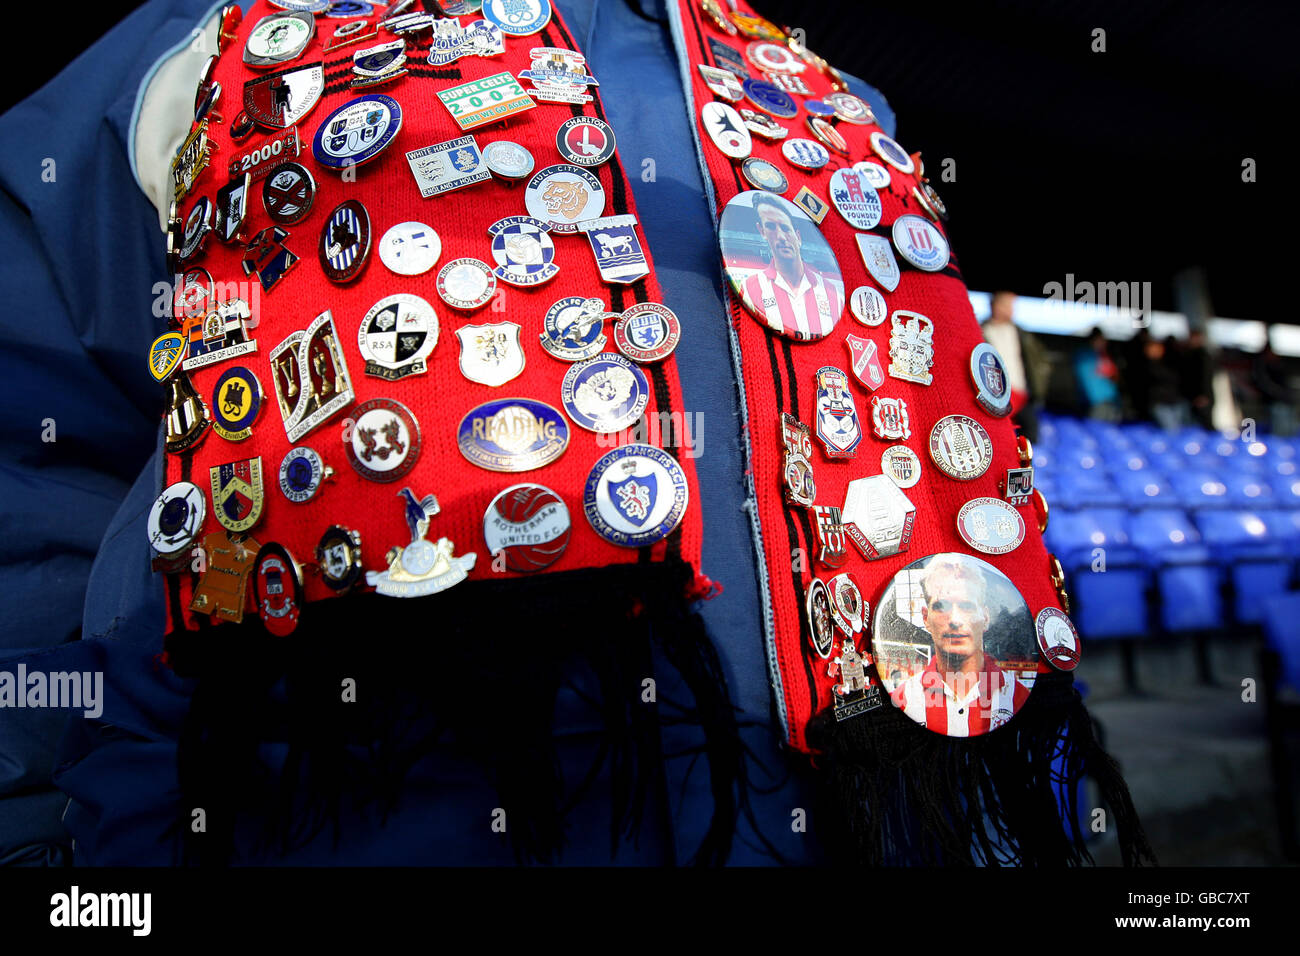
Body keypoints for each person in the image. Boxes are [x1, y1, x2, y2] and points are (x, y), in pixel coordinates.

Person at [891, 559, 1030, 737]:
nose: (955, 620)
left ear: (986, 617)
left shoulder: (1016, 695)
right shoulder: (905, 697)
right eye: (941, 606)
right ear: (926, 618)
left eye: (966, 606)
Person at [739, 193, 843, 340]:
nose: (781, 237)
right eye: (770, 227)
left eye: (785, 228)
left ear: (798, 237)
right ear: (762, 232)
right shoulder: (750, 287)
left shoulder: (831, 293)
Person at [981, 291, 1047, 443]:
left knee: (1030, 441)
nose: (1011, 310)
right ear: (994, 305)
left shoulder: (1022, 333)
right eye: (1006, 305)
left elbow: (1039, 361)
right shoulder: (980, 331)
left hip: (1023, 396)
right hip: (996, 398)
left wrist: (1038, 386)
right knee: (997, 440)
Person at [1073, 327, 1122, 421]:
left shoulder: (1103, 356)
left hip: (1111, 402)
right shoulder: (1085, 356)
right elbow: (1088, 383)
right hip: (1097, 404)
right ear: (1094, 340)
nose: (1104, 342)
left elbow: (1113, 377)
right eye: (1101, 339)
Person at [1179, 328, 1215, 429]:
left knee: (1204, 424)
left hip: (1202, 397)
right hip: (1191, 396)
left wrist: (1203, 395)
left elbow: (1206, 377)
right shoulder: (1188, 354)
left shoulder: (1203, 356)